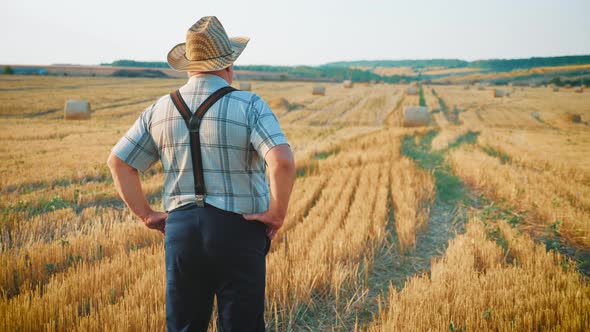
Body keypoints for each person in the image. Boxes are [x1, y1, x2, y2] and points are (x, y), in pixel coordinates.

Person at [107, 16, 295, 332]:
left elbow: (119, 162)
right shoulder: (249, 104)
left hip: (181, 230)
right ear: (229, 64)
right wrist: (276, 213)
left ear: (190, 66)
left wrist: (147, 215)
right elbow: (283, 161)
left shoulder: (160, 109)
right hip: (239, 229)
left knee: (184, 325)